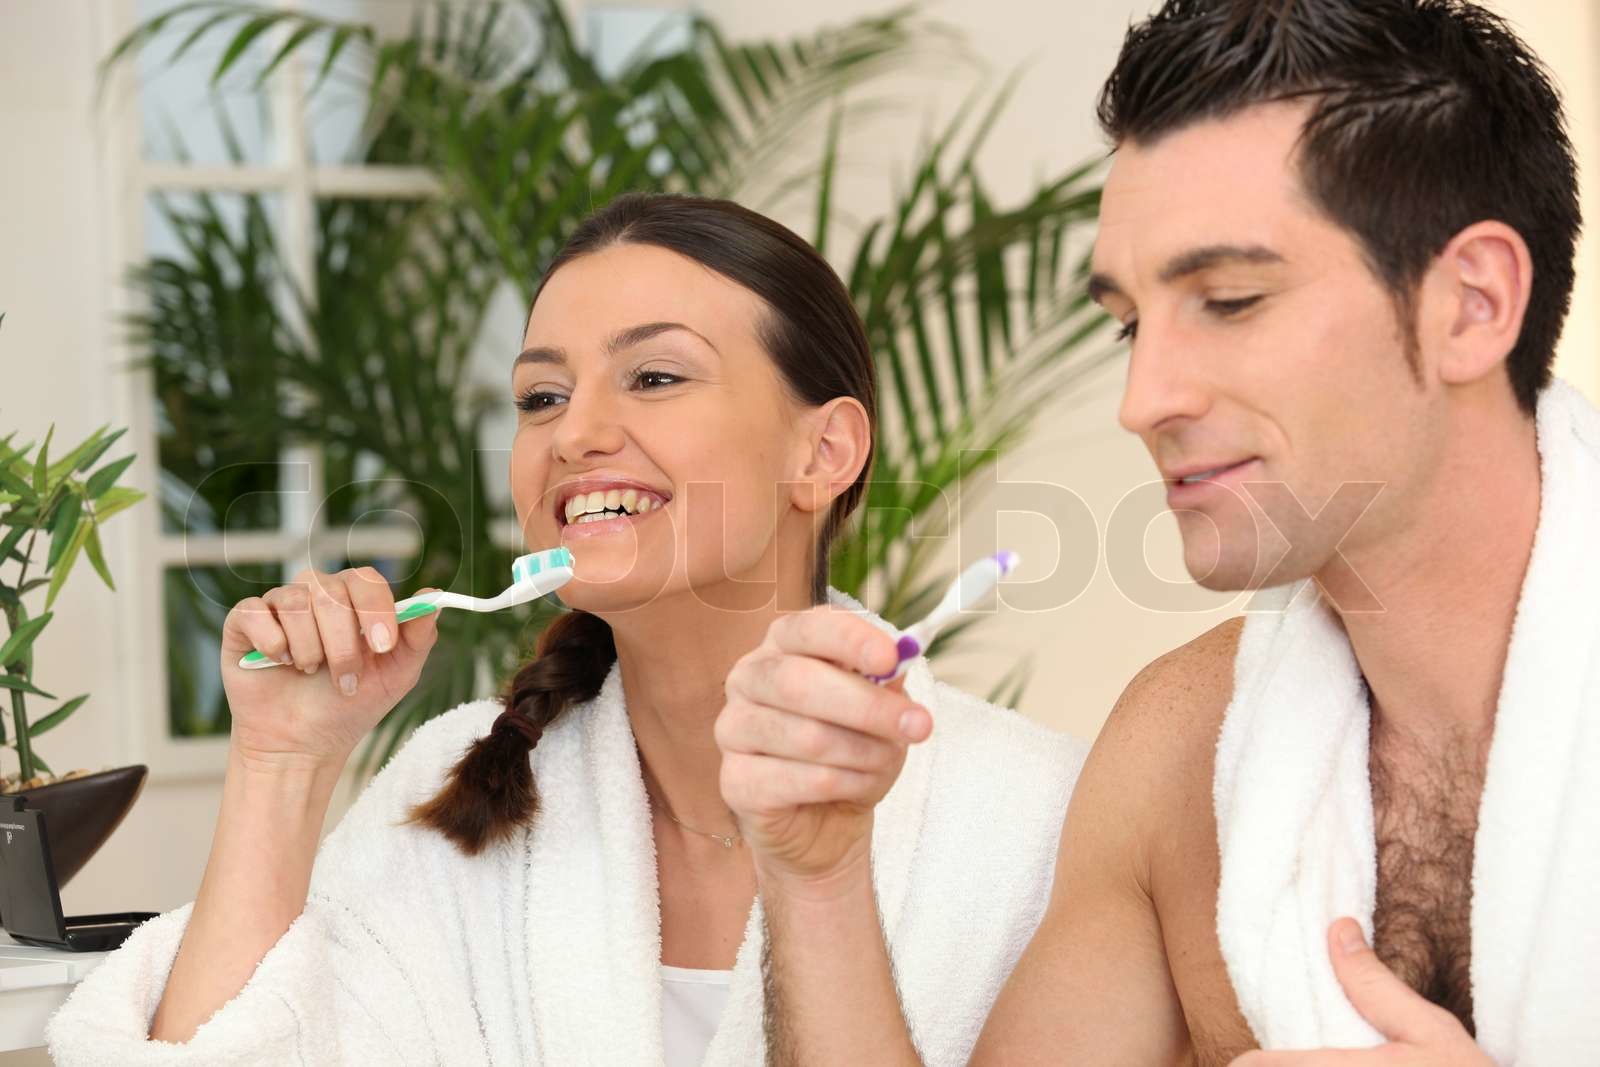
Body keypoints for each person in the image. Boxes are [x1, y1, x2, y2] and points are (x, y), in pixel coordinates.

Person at [731, 2, 1598, 1064]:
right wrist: (813, 872)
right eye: (1131, 324)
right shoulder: (1179, 755)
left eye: (1228, 299)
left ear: (1469, 303)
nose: (1142, 398)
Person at [45, 193, 1083, 1066]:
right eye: (541, 395)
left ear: (824, 451)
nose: (574, 433)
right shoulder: (455, 790)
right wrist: (281, 760)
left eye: (656, 376)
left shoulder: (1032, 815)